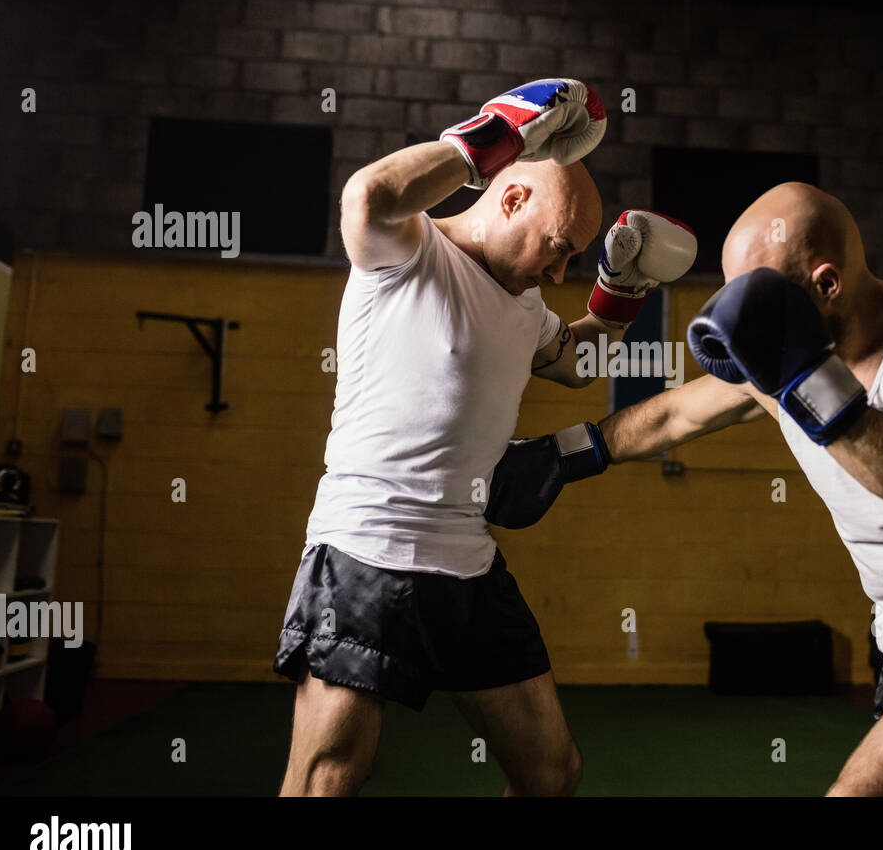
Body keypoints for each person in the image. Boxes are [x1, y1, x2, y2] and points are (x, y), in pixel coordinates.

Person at [488, 181, 883, 796]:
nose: (741, 316)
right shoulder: (775, 362)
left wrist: (805, 378)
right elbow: (673, 415)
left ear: (827, 284)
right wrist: (563, 456)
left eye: (757, 296)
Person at [274, 78, 696, 796]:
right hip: (367, 552)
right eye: (558, 250)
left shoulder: (525, 306)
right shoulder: (409, 250)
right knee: (329, 781)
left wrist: (621, 290)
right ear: (511, 198)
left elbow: (574, 363)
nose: (559, 272)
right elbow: (367, 196)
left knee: (550, 773)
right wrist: (500, 133)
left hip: (469, 564)